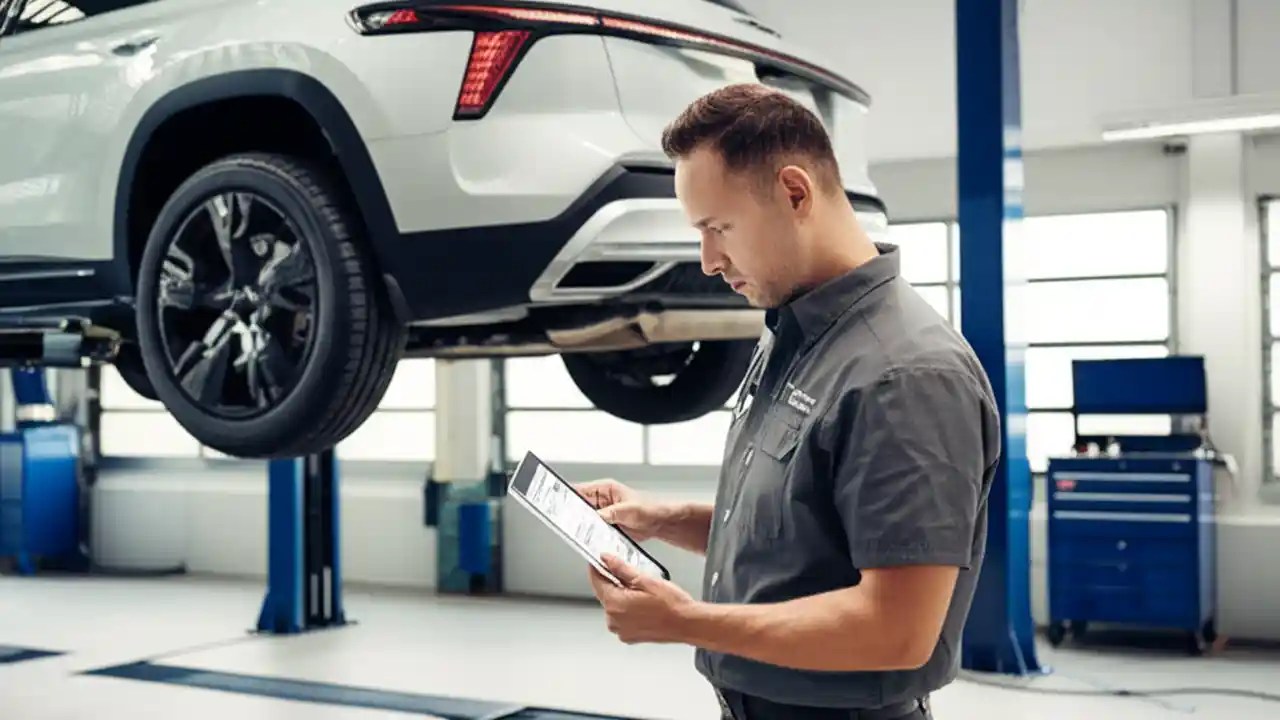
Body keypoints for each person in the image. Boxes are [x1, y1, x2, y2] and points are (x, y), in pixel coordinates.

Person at [574, 83, 1001, 720]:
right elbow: (800, 525)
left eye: (718, 227)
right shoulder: (797, 334)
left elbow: (897, 629)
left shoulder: (905, 375)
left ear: (794, 193)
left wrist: (691, 622)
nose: (709, 260)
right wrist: (660, 517)